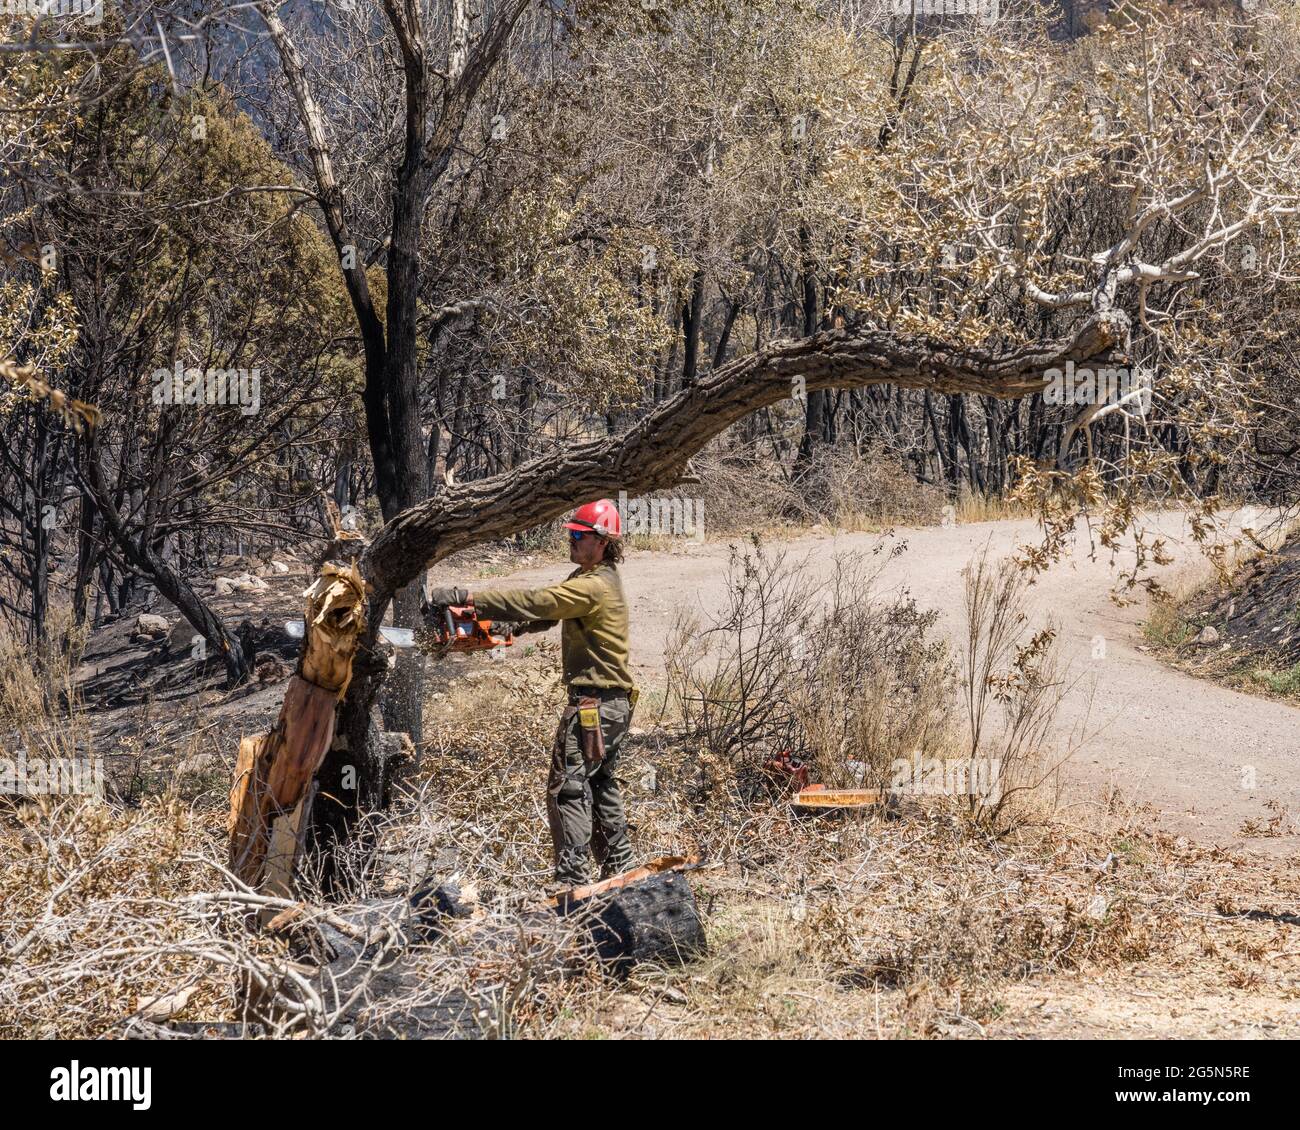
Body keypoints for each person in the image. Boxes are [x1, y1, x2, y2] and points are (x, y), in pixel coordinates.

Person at [426, 499, 637, 889]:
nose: (571, 541)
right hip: (612, 705)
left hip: (593, 704)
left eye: (579, 535)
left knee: (567, 789)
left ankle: (571, 882)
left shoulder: (593, 585)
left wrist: (469, 598)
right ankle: (621, 872)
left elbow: (541, 600)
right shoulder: (592, 577)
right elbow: (547, 612)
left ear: (603, 541)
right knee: (598, 784)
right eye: (571, 534)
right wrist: (514, 629)